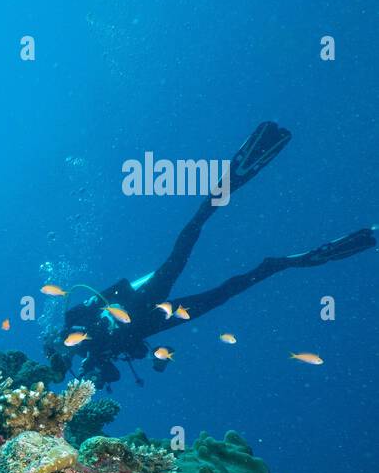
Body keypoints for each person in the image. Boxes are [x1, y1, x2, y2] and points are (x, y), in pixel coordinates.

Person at [46, 122, 377, 386]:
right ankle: (285, 263)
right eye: (63, 359)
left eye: (58, 352)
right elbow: (131, 357)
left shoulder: (73, 318)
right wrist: (155, 359)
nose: (65, 355)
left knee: (182, 251)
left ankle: (229, 184)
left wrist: (116, 307)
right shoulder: (91, 357)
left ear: (55, 341)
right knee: (223, 294)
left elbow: (118, 285)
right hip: (160, 320)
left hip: (146, 297)